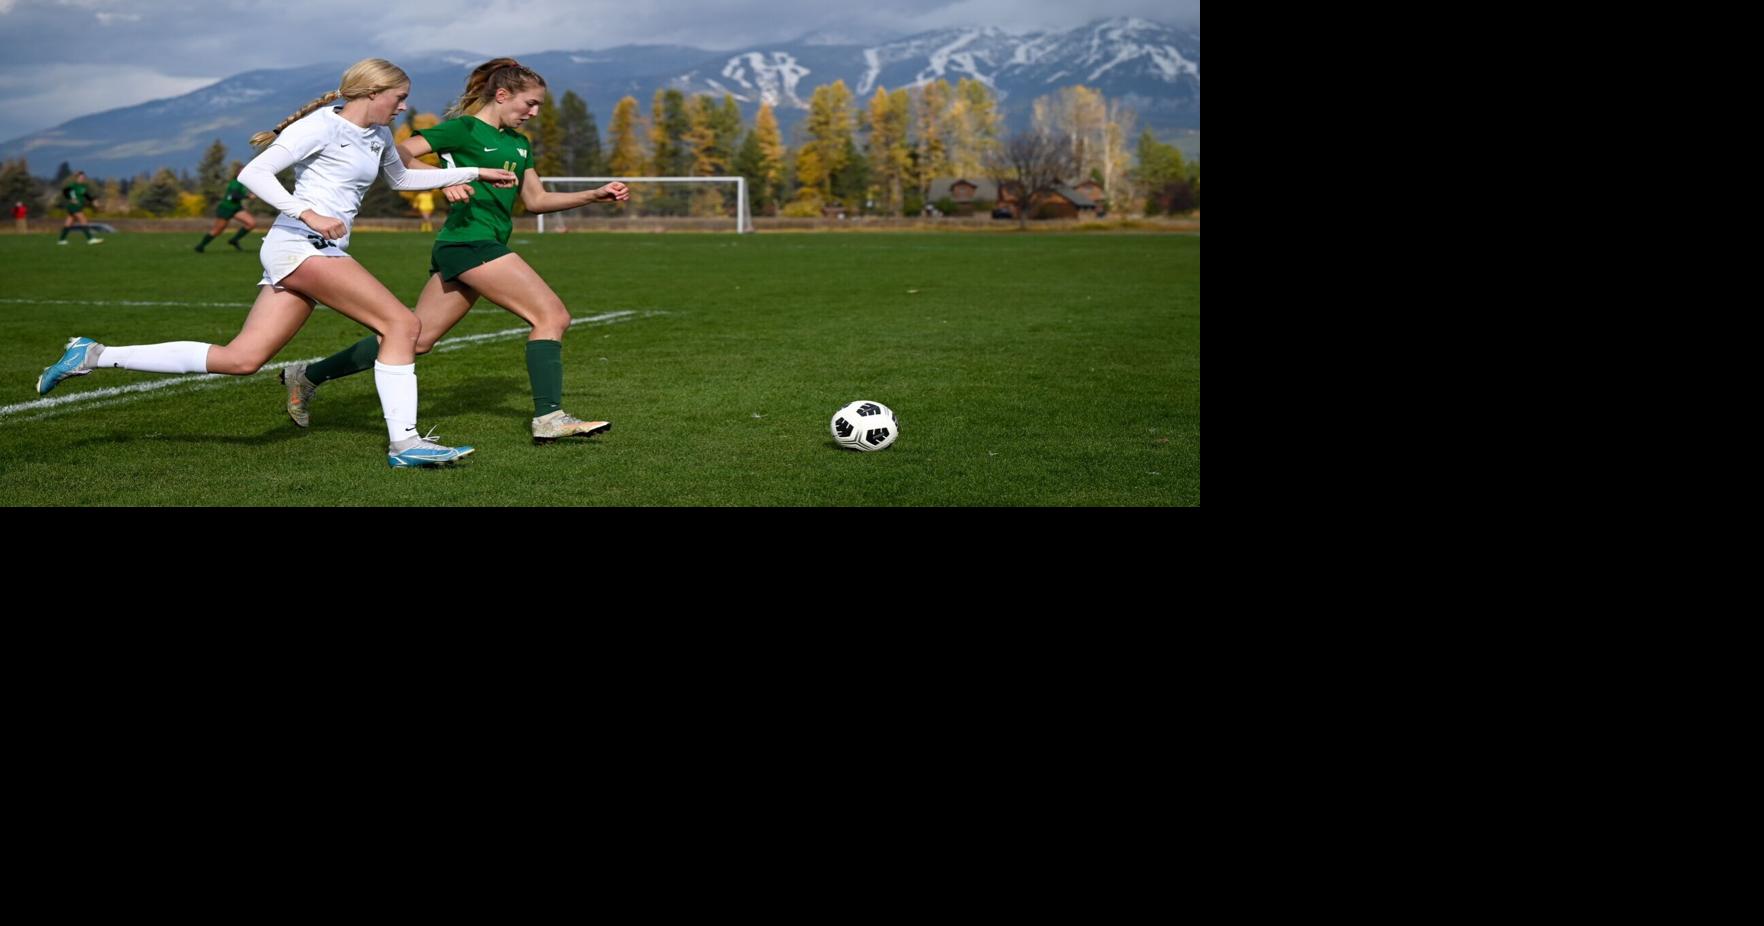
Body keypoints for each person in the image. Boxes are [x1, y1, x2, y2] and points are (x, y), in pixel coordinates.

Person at [35, 58, 517, 468]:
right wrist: (307, 212)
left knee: (241, 360)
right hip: (299, 244)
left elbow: (400, 178)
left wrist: (474, 172)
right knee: (400, 324)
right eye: (400, 96)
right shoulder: (321, 125)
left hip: (317, 249)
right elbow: (254, 172)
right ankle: (406, 443)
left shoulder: (379, 132)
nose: (405, 105)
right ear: (372, 92)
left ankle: (93, 354)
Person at [283, 58, 629, 445]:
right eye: (530, 104)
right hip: (469, 241)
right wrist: (442, 181)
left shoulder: (518, 143)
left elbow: (536, 200)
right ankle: (549, 417)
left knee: (417, 340)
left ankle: (309, 375)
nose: (534, 113)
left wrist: (594, 195)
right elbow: (396, 156)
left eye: (538, 106)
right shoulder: (463, 129)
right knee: (552, 316)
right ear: (502, 95)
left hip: (476, 245)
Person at [195, 163, 259, 252]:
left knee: (251, 223)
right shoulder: (235, 183)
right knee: (217, 230)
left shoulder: (242, 182)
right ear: (237, 173)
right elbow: (233, 196)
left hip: (236, 208)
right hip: (226, 208)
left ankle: (234, 240)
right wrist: (248, 197)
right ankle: (200, 246)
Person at [58, 170, 101, 244]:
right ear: (76, 178)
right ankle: (90, 239)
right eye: (81, 177)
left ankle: (62, 240)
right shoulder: (73, 185)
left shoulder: (83, 186)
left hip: (77, 206)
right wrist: (72, 198)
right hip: (74, 206)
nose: (82, 178)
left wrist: (93, 201)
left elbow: (86, 195)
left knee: (69, 222)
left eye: (83, 177)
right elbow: (66, 191)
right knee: (83, 219)